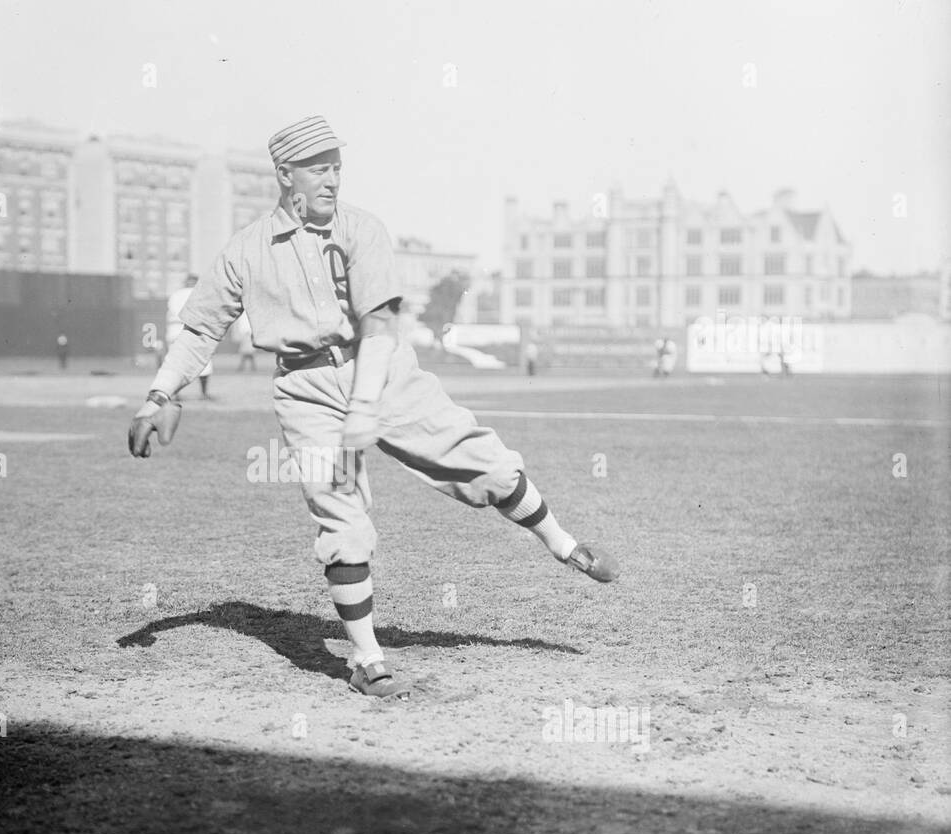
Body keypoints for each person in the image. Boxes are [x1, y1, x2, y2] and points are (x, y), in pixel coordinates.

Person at [128, 115, 618, 699]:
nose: (333, 178)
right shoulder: (245, 252)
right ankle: (366, 659)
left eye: (337, 165)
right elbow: (199, 330)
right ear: (286, 176)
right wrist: (158, 395)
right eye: (318, 168)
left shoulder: (361, 229)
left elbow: (379, 322)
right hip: (304, 391)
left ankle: (563, 544)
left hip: (381, 370)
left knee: (483, 460)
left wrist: (363, 406)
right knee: (342, 522)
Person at [167, 274, 212, 399]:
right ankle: (203, 393)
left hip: (175, 330)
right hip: (194, 330)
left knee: (176, 364)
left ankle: (175, 394)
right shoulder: (201, 293)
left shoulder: (175, 295)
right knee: (203, 362)